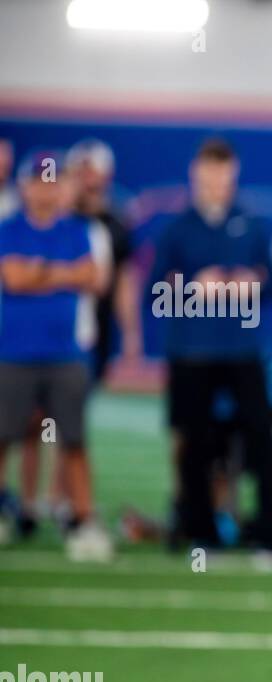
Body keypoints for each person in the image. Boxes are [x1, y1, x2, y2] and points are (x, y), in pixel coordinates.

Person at [148, 137, 272, 561]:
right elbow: (157, 292)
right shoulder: (176, 228)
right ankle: (200, 532)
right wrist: (195, 287)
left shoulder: (251, 224)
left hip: (243, 351)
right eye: (207, 174)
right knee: (194, 442)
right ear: (195, 175)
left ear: (233, 175)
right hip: (191, 352)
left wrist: (248, 283)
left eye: (222, 174)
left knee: (262, 439)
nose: (214, 183)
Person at [0, 149, 112, 560]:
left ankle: (83, 520)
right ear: (24, 186)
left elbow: (90, 275)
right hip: (13, 352)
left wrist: (40, 272)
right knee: (5, 435)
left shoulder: (77, 230)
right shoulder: (8, 228)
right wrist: (59, 274)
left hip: (65, 352)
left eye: (53, 182)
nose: (45, 190)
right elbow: (12, 277)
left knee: (74, 439)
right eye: (39, 181)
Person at [67, 138, 140, 382]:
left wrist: (131, 334)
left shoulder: (114, 224)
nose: (88, 180)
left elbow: (123, 281)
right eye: (81, 173)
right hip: (54, 326)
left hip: (96, 328)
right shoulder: (57, 220)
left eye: (93, 173)